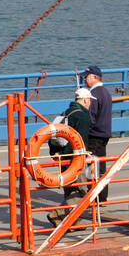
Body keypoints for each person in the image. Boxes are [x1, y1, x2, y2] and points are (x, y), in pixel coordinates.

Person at [48, 88, 92, 227]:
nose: (90, 103)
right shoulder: (82, 117)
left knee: (69, 191)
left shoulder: (65, 113)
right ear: (85, 100)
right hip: (75, 159)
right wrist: (83, 154)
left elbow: (54, 135)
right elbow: (81, 141)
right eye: (89, 100)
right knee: (81, 191)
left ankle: (69, 224)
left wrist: (56, 152)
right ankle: (57, 214)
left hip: (62, 157)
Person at [81, 65, 113, 203]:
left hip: (94, 135)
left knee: (92, 167)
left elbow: (91, 117)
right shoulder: (105, 92)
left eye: (86, 77)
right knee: (101, 166)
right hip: (104, 133)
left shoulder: (93, 94)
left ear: (94, 77)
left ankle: (95, 197)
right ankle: (102, 196)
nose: (84, 79)